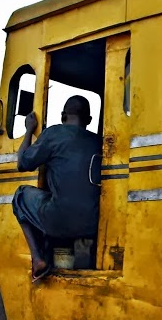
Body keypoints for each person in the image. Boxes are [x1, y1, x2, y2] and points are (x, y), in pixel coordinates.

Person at [12, 95, 102, 282]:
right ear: (89, 120)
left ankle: (38, 259)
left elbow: (22, 163)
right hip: (93, 222)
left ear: (62, 116)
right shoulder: (98, 141)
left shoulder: (53, 134)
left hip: (59, 217)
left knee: (20, 194)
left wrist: (29, 130)